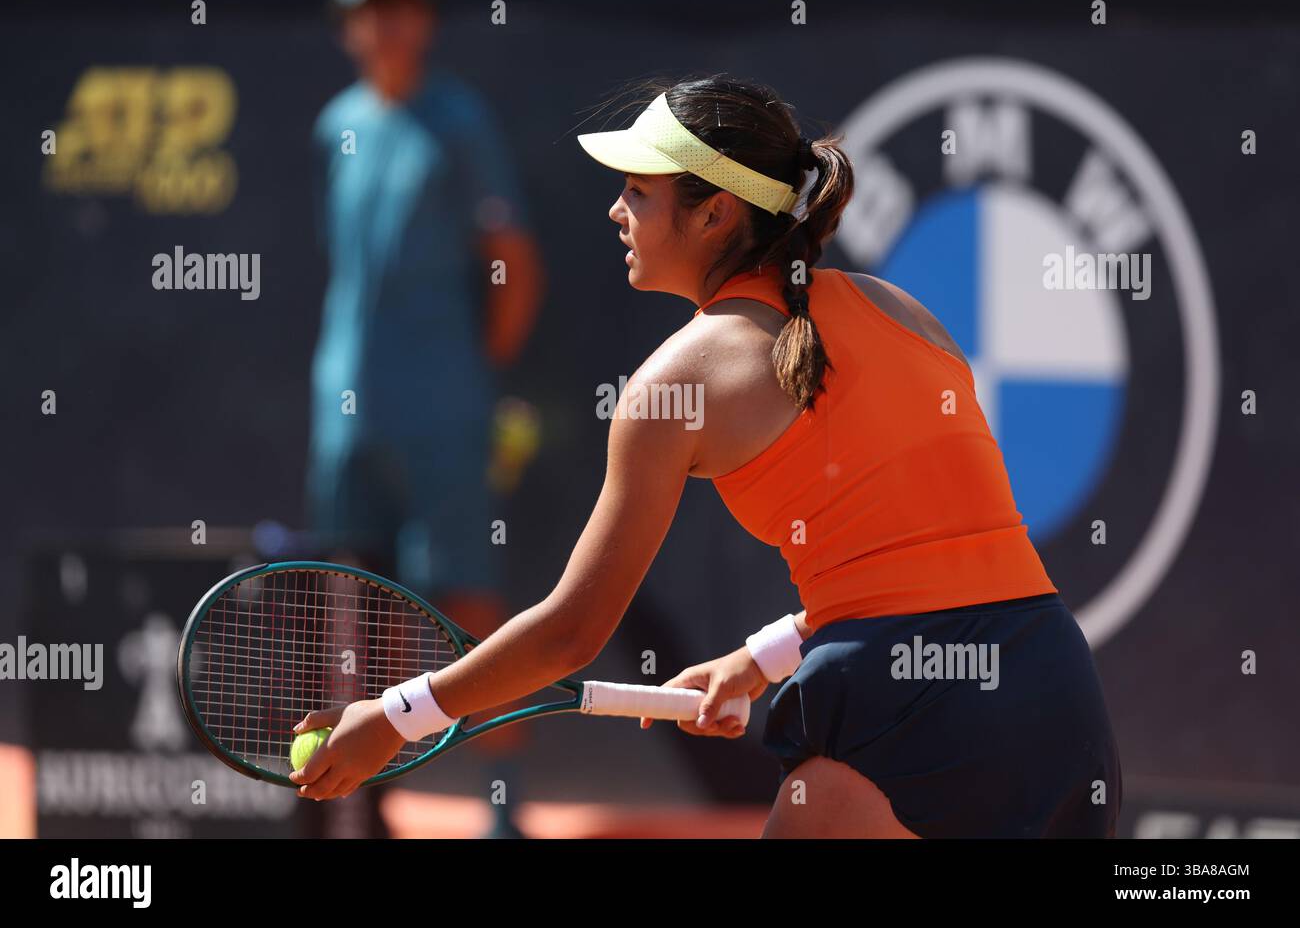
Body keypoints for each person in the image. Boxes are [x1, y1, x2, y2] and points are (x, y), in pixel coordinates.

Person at [291, 74, 1122, 838]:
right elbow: (935, 571)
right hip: (1054, 691)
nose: (617, 211)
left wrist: (395, 717)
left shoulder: (673, 384)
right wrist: (758, 662)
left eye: (639, 193)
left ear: (715, 213)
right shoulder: (907, 315)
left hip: (902, 707)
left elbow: (571, 634)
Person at [305, 0, 544, 837]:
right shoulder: (336, 126)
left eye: (405, 7)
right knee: (353, 604)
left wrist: (474, 380)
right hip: (346, 411)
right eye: (374, 11)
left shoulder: (461, 123)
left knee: (464, 601)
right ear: (349, 29)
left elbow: (512, 262)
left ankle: (503, 801)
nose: (392, 25)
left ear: (427, 22)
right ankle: (370, 805)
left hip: (446, 407)